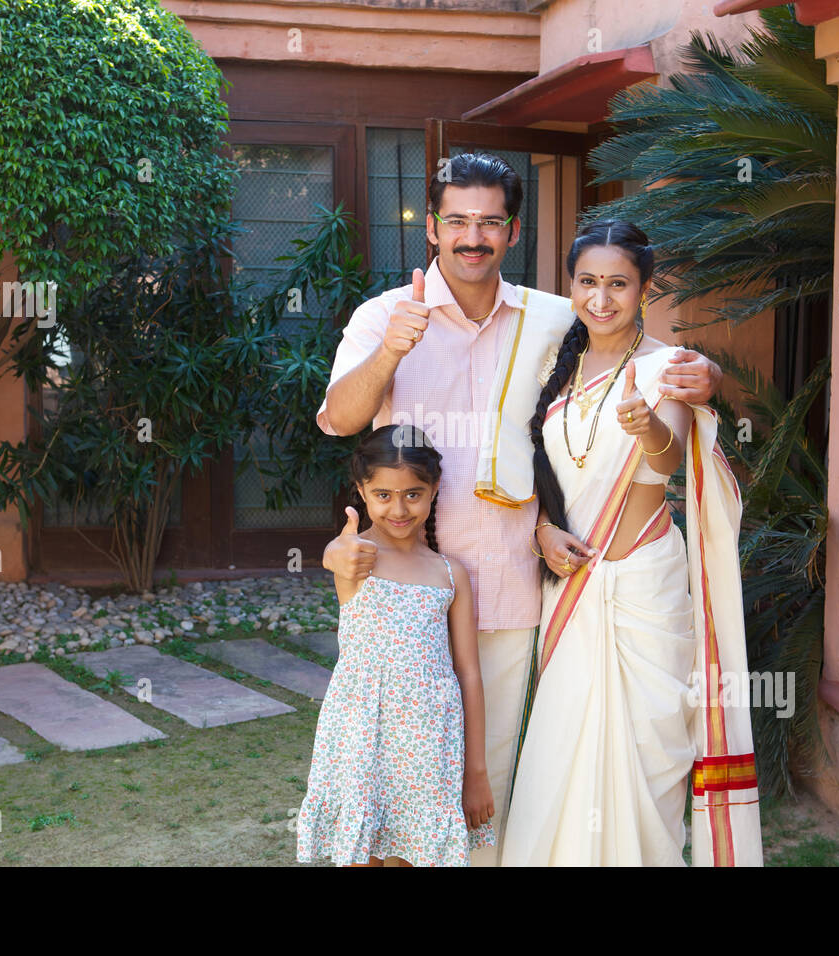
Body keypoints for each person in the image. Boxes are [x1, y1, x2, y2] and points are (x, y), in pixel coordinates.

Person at [316, 152, 725, 865]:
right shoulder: (384, 315)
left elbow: (625, 339)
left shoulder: (551, 317)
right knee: (388, 781)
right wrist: (390, 352)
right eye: (458, 221)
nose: (473, 237)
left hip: (507, 584)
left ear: (511, 231)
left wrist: (704, 372)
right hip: (404, 588)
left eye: (490, 222)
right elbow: (339, 419)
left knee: (488, 781)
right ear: (433, 228)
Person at [500, 220, 763, 866]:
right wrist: (538, 530)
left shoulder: (664, 368)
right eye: (587, 282)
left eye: (618, 284)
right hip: (572, 591)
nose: (601, 298)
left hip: (645, 591)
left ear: (644, 287)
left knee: (648, 759)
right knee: (561, 753)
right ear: (571, 285)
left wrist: (646, 427)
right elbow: (525, 468)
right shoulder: (547, 367)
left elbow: (668, 463)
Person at [296, 424, 495, 867]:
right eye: (383, 495)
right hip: (361, 737)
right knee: (360, 854)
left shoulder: (449, 573)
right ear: (362, 490)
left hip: (428, 745)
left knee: (414, 856)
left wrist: (476, 771)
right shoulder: (357, 557)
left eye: (413, 494)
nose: (399, 509)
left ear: (434, 489)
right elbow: (336, 554)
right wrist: (335, 550)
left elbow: (469, 673)